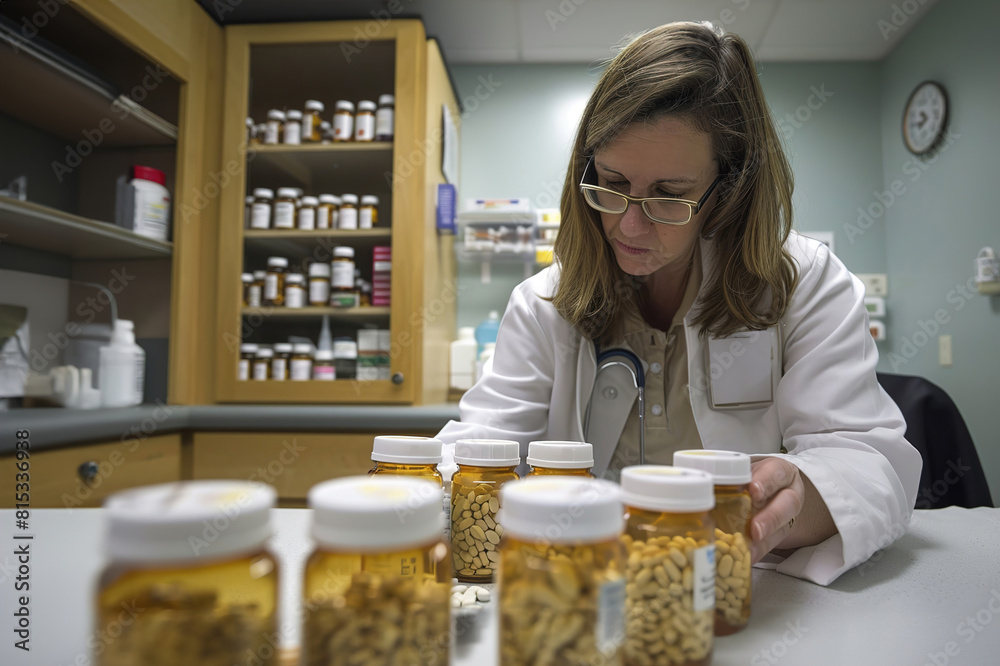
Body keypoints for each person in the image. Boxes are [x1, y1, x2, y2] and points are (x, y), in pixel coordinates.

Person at [435, 21, 921, 585]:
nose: (628, 223)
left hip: (742, 591)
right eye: (610, 182)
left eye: (669, 196)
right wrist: (423, 485)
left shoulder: (804, 283)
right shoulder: (544, 303)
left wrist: (792, 494)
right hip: (587, 586)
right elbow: (481, 446)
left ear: (729, 188)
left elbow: (869, 464)